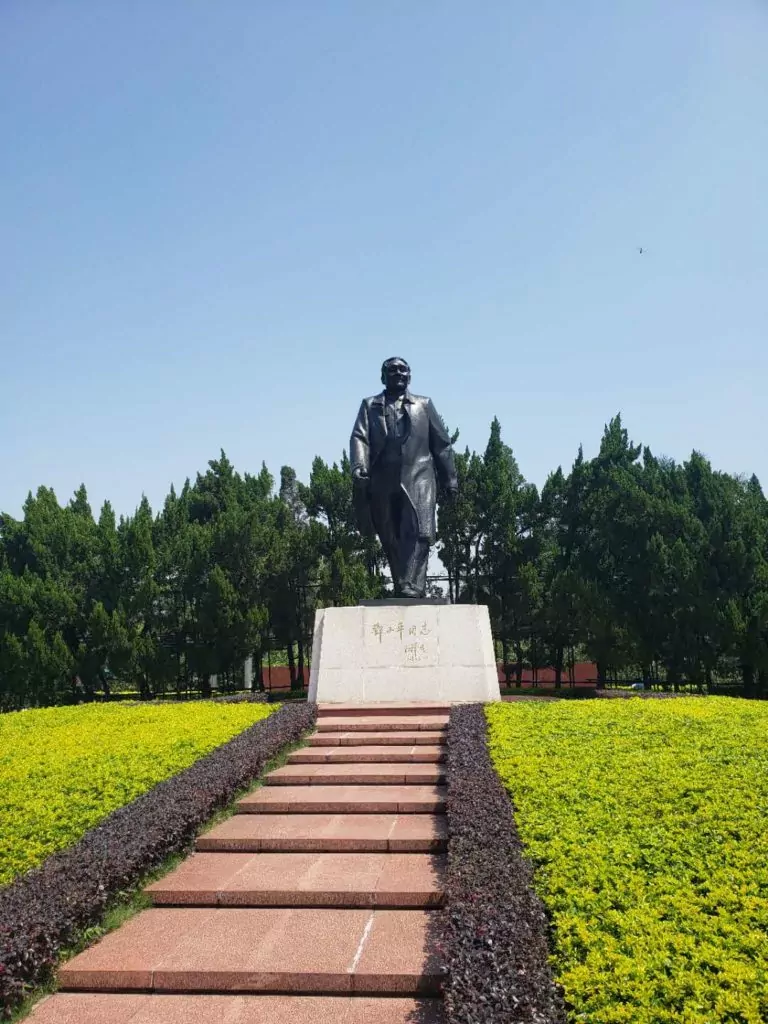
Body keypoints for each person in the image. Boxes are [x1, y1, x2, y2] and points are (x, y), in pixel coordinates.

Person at [350, 357, 458, 598]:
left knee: (420, 530)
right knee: (390, 533)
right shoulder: (370, 406)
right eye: (392, 370)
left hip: (419, 475)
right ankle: (402, 583)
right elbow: (360, 437)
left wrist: (450, 479)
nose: (398, 373)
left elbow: (441, 444)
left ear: (410, 375)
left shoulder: (424, 405)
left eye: (403, 369)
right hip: (383, 478)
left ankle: (414, 585)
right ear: (382, 376)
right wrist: (359, 465)